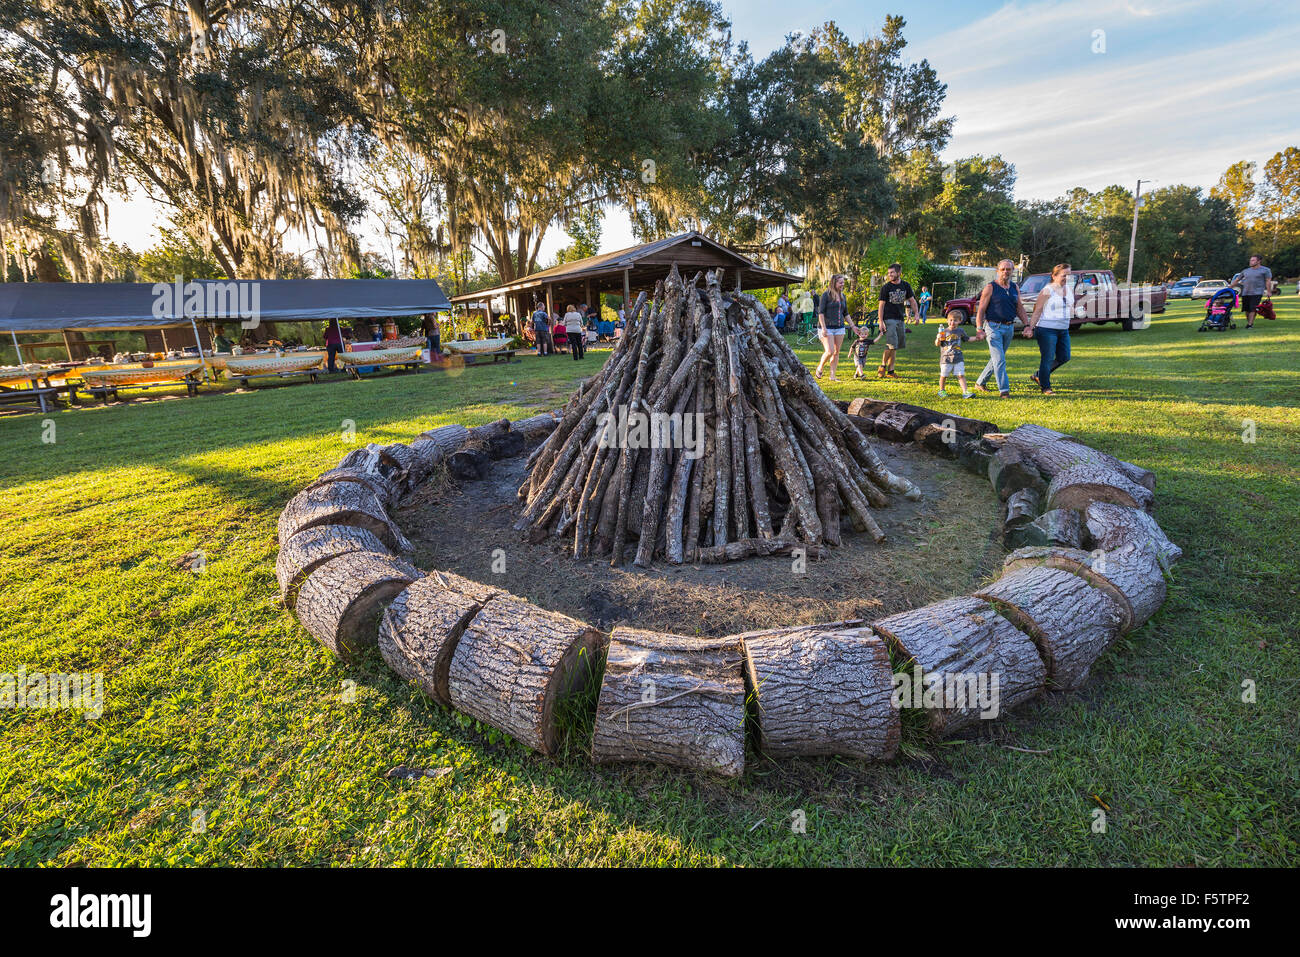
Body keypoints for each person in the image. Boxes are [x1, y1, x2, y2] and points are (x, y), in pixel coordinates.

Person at [974, 259, 1029, 398]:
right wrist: (979, 328)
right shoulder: (990, 287)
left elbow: (1019, 307)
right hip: (993, 327)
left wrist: (1027, 325)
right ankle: (1004, 390)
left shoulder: (1014, 287)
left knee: (997, 358)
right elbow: (981, 309)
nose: (1006, 272)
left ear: (1012, 271)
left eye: (1008, 269)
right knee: (999, 360)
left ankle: (980, 382)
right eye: (1003, 269)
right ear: (997, 271)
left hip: (1009, 328)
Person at [1023, 262, 1074, 396]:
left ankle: (1038, 375)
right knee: (1047, 357)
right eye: (1064, 275)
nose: (1067, 278)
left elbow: (1068, 307)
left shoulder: (1068, 289)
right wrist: (1030, 327)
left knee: (1064, 357)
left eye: (1069, 275)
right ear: (1054, 276)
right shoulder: (1048, 290)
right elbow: (1037, 310)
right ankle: (1046, 387)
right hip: (1046, 329)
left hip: (1063, 330)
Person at [876, 263, 918, 379]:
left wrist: (917, 315)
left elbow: (912, 301)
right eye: (889, 273)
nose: (889, 275)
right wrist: (881, 321)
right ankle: (883, 366)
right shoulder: (886, 287)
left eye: (892, 273)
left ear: (899, 273)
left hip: (900, 319)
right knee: (891, 344)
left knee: (895, 346)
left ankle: (891, 371)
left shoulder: (906, 285)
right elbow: (881, 305)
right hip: (889, 319)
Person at [815, 274, 854, 380]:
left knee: (836, 352)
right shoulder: (826, 295)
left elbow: (846, 313)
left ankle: (832, 376)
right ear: (834, 283)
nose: (842, 284)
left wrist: (853, 326)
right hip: (826, 327)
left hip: (840, 327)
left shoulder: (843, 296)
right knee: (830, 351)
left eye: (843, 282)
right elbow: (821, 313)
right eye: (840, 282)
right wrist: (823, 328)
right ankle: (820, 367)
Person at [935, 313, 974, 398]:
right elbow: (937, 344)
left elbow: (967, 339)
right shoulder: (943, 331)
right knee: (944, 375)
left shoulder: (960, 331)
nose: (952, 322)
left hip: (958, 357)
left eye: (955, 320)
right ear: (947, 320)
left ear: (960, 321)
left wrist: (977, 338)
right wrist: (938, 338)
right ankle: (942, 391)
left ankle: (965, 392)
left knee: (961, 375)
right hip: (946, 358)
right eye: (951, 320)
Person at [1231, 254, 1273, 329]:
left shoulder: (1265, 270)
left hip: (1257, 292)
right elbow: (1237, 280)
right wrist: (1229, 287)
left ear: (1259, 261)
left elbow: (1268, 281)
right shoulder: (1245, 271)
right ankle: (1250, 322)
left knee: (1253, 308)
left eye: (1253, 260)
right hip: (1245, 293)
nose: (1251, 262)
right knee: (1247, 310)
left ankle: (1250, 324)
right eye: (1250, 260)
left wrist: (1269, 291)